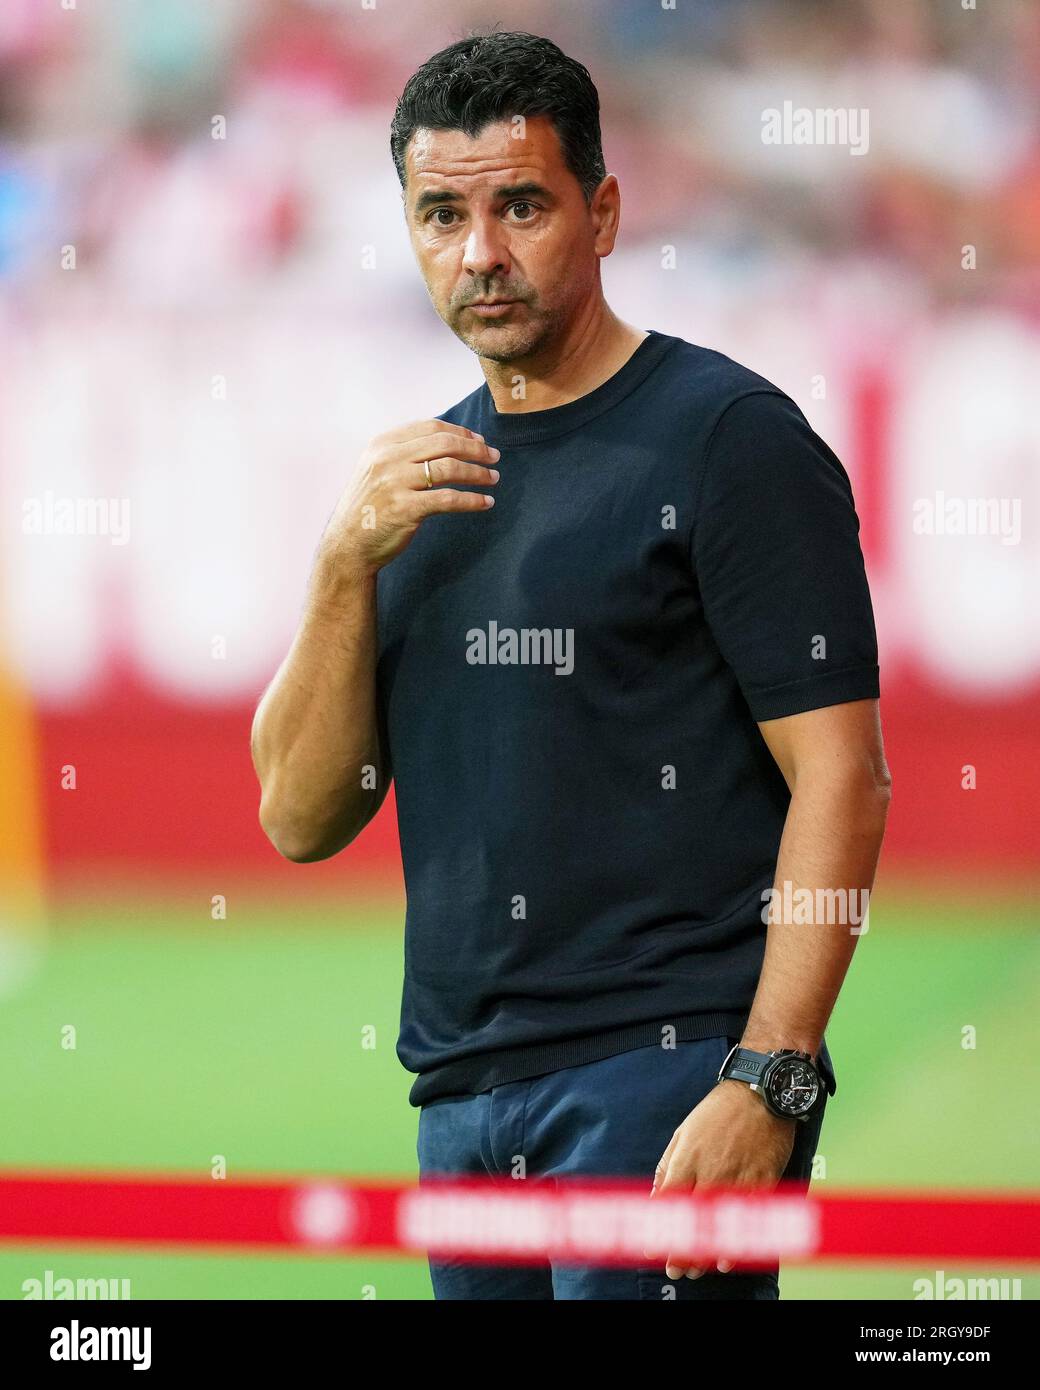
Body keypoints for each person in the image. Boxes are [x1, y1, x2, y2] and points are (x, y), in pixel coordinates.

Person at [251, 30, 891, 1300]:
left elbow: (843, 777)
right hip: (460, 1104)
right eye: (441, 214)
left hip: (660, 1081)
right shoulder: (413, 489)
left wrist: (771, 1075)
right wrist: (337, 568)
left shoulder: (725, 439)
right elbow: (297, 815)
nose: (479, 250)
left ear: (601, 212)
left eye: (519, 206)